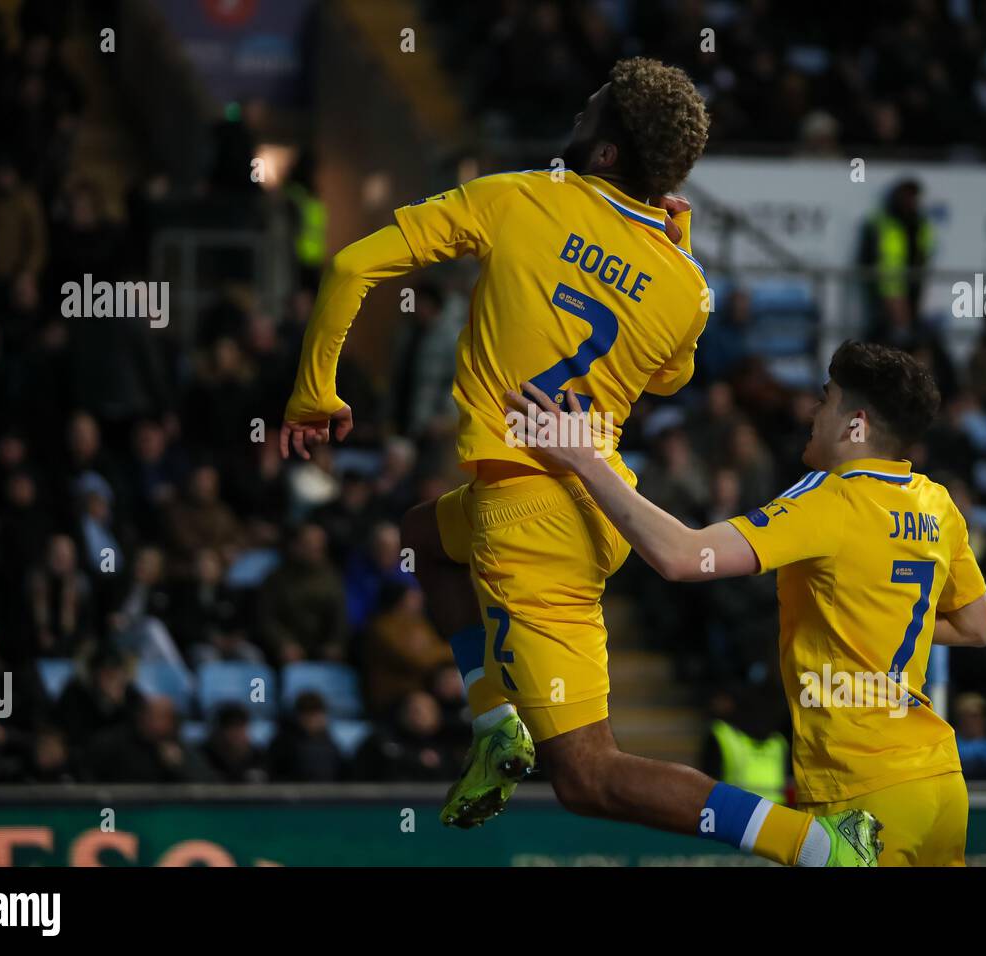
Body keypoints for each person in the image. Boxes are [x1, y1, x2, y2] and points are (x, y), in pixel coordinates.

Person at [281, 58, 880, 865]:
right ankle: (496, 726)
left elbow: (354, 264)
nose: (578, 109)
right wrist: (674, 248)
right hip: (597, 501)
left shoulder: (517, 198)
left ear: (603, 154)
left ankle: (816, 846)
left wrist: (313, 388)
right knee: (423, 535)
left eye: (591, 107)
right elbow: (673, 373)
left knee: (590, 777)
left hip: (527, 518)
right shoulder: (686, 284)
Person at [508, 341, 986, 865]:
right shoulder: (936, 503)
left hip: (862, 792)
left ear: (856, 424)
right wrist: (876, 612)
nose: (813, 411)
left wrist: (585, 458)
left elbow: (681, 556)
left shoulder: (829, 500)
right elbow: (976, 627)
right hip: (940, 783)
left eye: (826, 400)